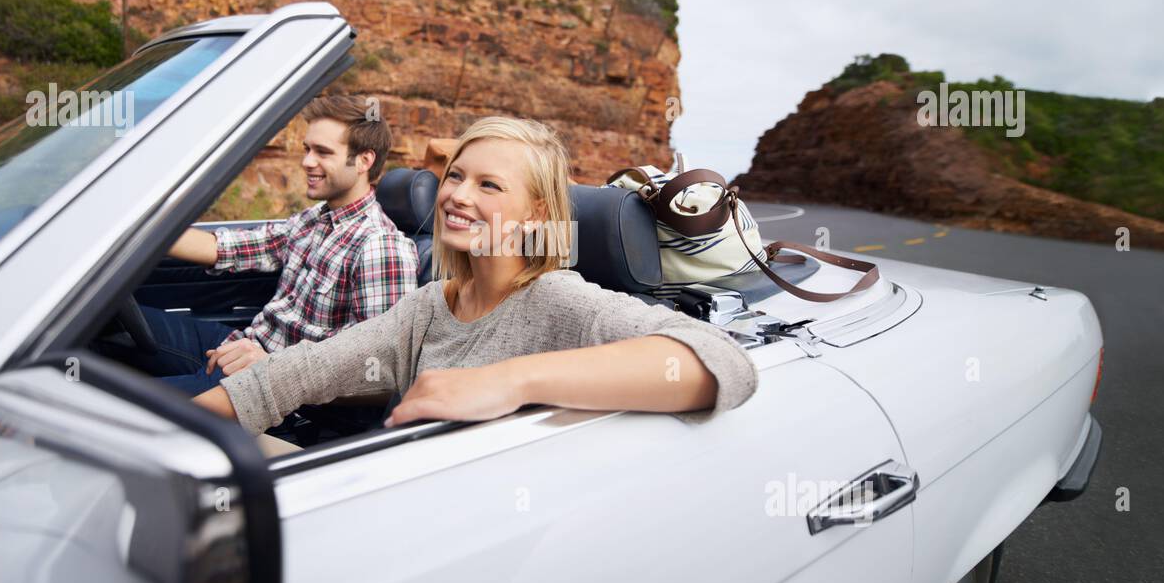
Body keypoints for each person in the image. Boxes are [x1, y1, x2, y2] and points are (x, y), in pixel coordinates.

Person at [192, 116, 758, 437]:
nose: (458, 195)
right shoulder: (428, 306)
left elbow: (721, 360)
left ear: (537, 214)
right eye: (456, 175)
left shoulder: (558, 298)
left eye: (490, 185)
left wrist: (511, 381)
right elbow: (294, 376)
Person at [109, 95, 419, 400]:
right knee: (107, 321)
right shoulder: (313, 219)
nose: (306, 161)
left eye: (322, 152)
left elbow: (376, 375)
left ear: (364, 160)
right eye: (307, 149)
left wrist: (274, 369)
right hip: (243, 345)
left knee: (121, 410)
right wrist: (128, 227)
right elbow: (225, 248)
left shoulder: (382, 248)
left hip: (273, 392)